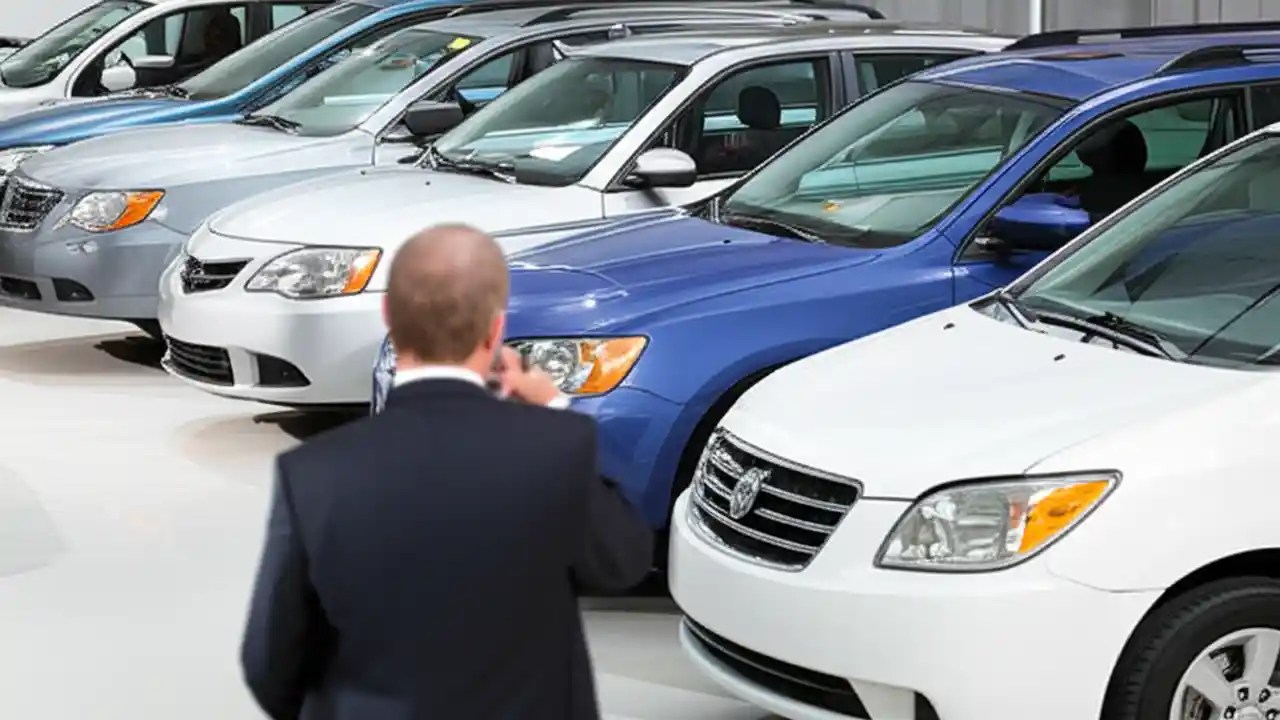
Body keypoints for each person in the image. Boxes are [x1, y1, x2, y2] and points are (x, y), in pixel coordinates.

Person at [239, 224, 654, 720]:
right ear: (495, 329)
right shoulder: (556, 450)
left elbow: (270, 660)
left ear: (389, 316)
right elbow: (623, 563)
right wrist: (559, 409)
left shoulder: (310, 473)